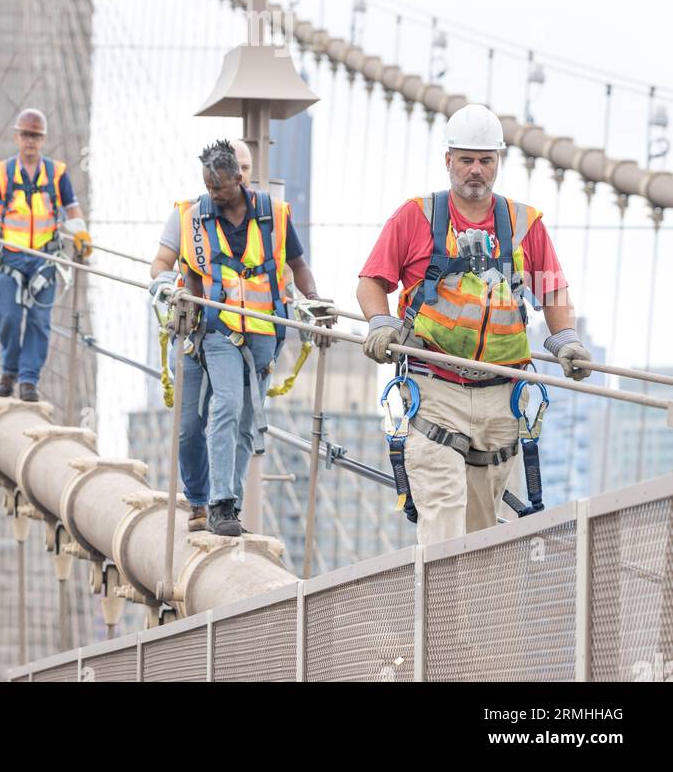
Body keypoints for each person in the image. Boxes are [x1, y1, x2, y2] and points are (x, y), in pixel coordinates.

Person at [357, 103, 591, 546]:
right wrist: (381, 323)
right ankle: (439, 618)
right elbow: (372, 281)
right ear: (448, 161)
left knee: (483, 531)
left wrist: (566, 341)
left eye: (485, 160)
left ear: (498, 162)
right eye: (466, 160)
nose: (476, 171)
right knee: (444, 517)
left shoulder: (525, 225)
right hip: (436, 389)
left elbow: (553, 292)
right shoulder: (416, 217)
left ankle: (467, 619)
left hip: (501, 394)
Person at [176, 139, 325, 537]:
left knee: (246, 422)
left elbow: (298, 265)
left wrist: (313, 302)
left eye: (218, 187)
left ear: (238, 178)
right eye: (207, 186)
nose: (212, 194)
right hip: (220, 330)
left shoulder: (274, 216)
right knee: (225, 405)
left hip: (264, 332)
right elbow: (193, 270)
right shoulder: (196, 218)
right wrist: (188, 303)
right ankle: (219, 502)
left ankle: (232, 504)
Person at [149, 139, 253, 532]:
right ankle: (199, 499)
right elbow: (161, 262)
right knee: (192, 425)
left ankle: (224, 504)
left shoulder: (263, 220)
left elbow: (282, 273)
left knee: (238, 421)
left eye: (244, 168)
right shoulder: (188, 216)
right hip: (194, 335)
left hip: (240, 341)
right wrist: (165, 286)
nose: (238, 175)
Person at [0, 108, 92, 402]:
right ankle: (9, 370)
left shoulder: (57, 173)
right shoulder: (2, 172)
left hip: (44, 258)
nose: (30, 141)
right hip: (11, 256)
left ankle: (28, 379)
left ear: (43, 139)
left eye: (36, 136)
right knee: (8, 317)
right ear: (17, 136)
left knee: (39, 320)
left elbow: (71, 207)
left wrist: (80, 233)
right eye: (26, 135)